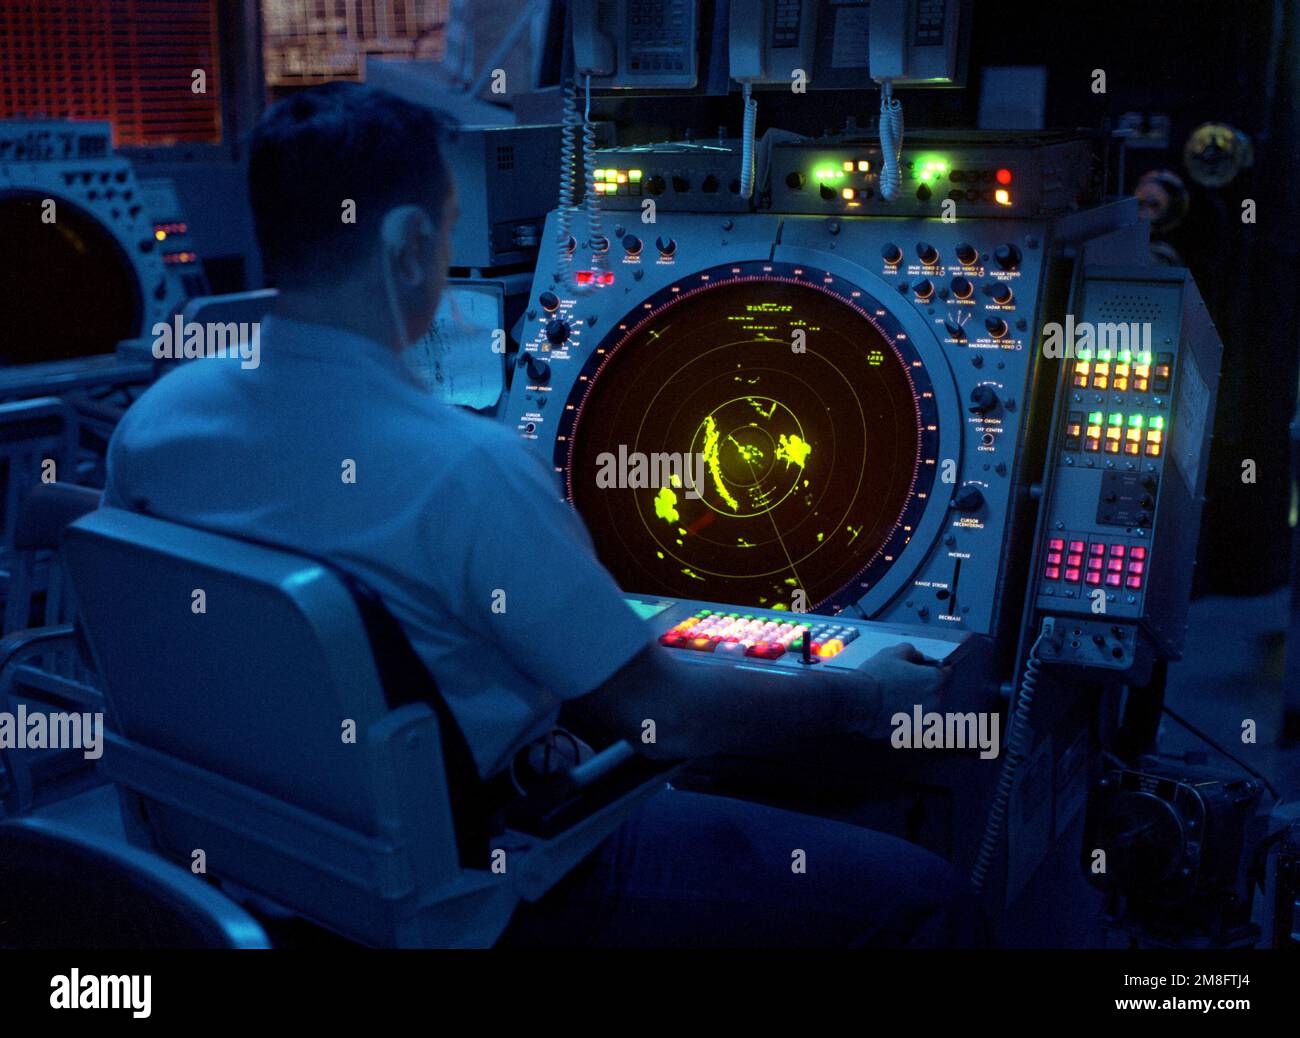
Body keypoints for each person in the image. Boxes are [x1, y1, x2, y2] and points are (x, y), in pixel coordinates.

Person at [103, 82, 982, 947]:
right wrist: (864, 697)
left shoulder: (155, 426)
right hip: (489, 894)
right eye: (448, 229)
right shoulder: (465, 471)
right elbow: (665, 716)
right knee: (925, 896)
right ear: (409, 245)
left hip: (262, 868)